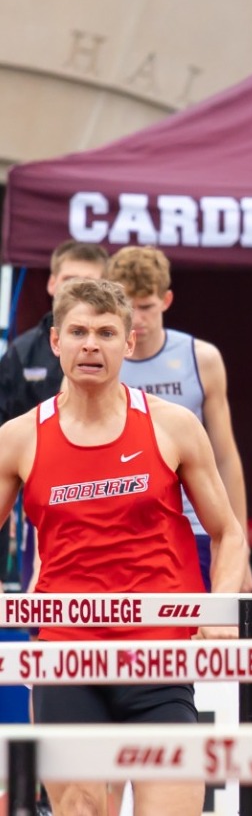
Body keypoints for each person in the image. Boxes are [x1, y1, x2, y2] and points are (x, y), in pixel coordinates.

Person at [0, 278, 248, 816]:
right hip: (67, 657)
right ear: (56, 341)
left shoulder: (173, 425)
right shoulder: (19, 437)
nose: (92, 344)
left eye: (107, 333)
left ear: (129, 343)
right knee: (82, 809)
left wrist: (221, 605)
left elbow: (229, 533)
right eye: (79, 332)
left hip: (157, 658)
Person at [107, 245, 252, 593]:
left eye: (146, 306)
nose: (137, 319)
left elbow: (225, 457)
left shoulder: (200, 358)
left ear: (166, 300)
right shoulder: (99, 359)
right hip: (121, 527)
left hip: (193, 524)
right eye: (128, 307)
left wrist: (241, 548)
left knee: (199, 624)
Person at [1, 241, 107, 588]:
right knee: (40, 599)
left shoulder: (115, 350)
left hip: (110, 493)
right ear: (51, 283)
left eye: (89, 283)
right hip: (41, 502)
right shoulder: (22, 352)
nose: (78, 291)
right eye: (69, 280)